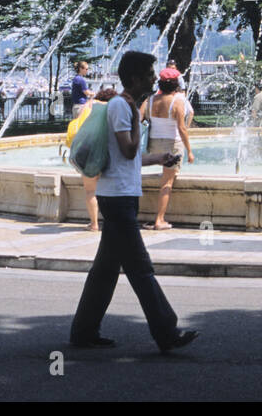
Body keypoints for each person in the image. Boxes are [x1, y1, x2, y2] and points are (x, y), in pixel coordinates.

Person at [69, 51, 198, 353]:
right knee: (141, 268)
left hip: (121, 195)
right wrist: (138, 119)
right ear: (137, 77)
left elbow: (130, 158)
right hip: (117, 200)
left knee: (105, 270)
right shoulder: (120, 106)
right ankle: (166, 332)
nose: (155, 78)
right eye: (151, 74)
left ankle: (83, 331)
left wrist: (158, 158)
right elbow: (128, 150)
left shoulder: (125, 106)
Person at [143, 69, 194, 230]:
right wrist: (190, 151)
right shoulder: (177, 101)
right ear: (176, 84)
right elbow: (182, 128)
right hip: (172, 144)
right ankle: (159, 220)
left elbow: (139, 119)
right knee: (167, 183)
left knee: (165, 177)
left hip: (153, 144)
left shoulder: (150, 99)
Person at [80, 87, 119, 231]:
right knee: (112, 190)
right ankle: (112, 221)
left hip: (89, 151)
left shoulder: (89, 106)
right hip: (109, 151)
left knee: (90, 191)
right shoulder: (114, 108)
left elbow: (79, 124)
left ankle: (94, 224)